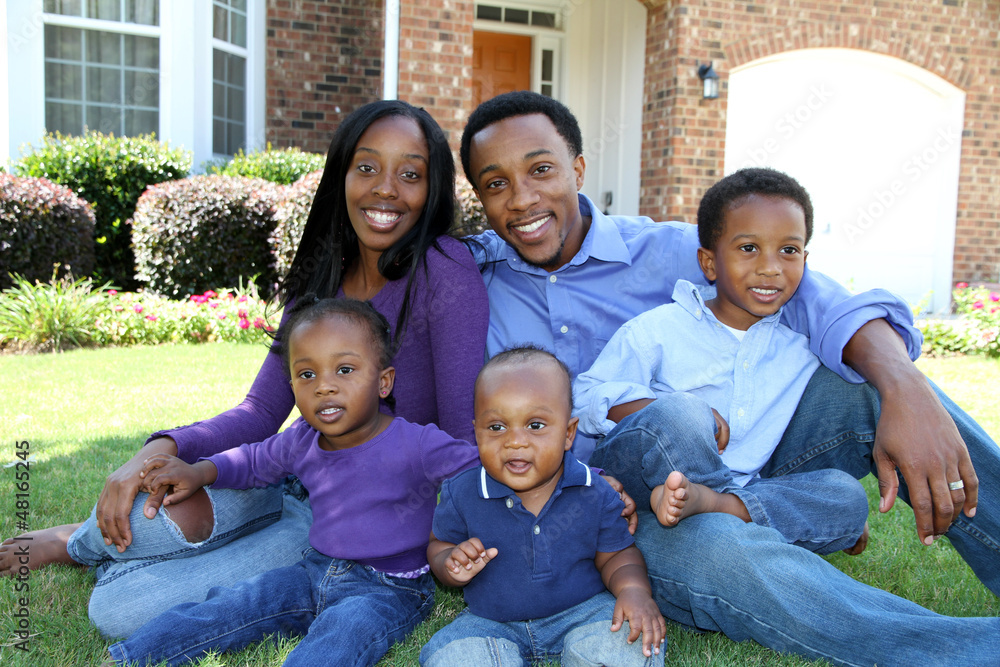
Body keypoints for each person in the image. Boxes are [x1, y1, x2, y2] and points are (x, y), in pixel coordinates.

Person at [461, 90, 1000, 666]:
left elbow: (819, 302)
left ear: (579, 169)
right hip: (619, 517)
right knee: (717, 550)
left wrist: (906, 389)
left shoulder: (678, 251)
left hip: (739, 462)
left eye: (541, 170)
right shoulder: (468, 280)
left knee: (868, 386)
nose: (522, 199)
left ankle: (751, 507)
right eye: (495, 184)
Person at [0, 99, 490, 638]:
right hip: (286, 469)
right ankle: (75, 541)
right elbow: (261, 410)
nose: (386, 189)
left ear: (432, 188)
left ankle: (109, 551)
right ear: (342, 175)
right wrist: (160, 447)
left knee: (118, 614)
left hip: (356, 519)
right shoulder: (319, 278)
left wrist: (442, 541)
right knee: (152, 501)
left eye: (410, 174)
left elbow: (462, 434)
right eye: (367, 167)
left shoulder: (444, 269)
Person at [105, 297, 480, 667]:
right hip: (315, 569)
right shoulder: (302, 439)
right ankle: (130, 657)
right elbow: (252, 460)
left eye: (344, 370)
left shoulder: (417, 443)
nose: (324, 386)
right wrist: (200, 471)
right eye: (307, 374)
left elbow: (478, 468)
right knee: (237, 603)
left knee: (342, 634)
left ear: (384, 382)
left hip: (390, 587)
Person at [574, 167, 869, 555]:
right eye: (749, 248)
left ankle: (716, 506)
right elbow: (585, 396)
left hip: (740, 488)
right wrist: (669, 410)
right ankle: (728, 511)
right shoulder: (659, 329)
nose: (770, 266)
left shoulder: (799, 348)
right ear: (709, 263)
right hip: (641, 477)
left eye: (789, 250)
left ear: (805, 259)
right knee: (682, 412)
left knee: (846, 495)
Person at [420, 347, 665, 667]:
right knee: (457, 656)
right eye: (496, 427)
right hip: (491, 622)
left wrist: (633, 590)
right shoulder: (463, 492)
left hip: (583, 613)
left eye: (535, 425)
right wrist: (449, 563)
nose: (515, 441)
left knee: (628, 646)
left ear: (568, 434)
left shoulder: (593, 490)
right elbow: (440, 544)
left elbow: (617, 555)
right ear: (476, 432)